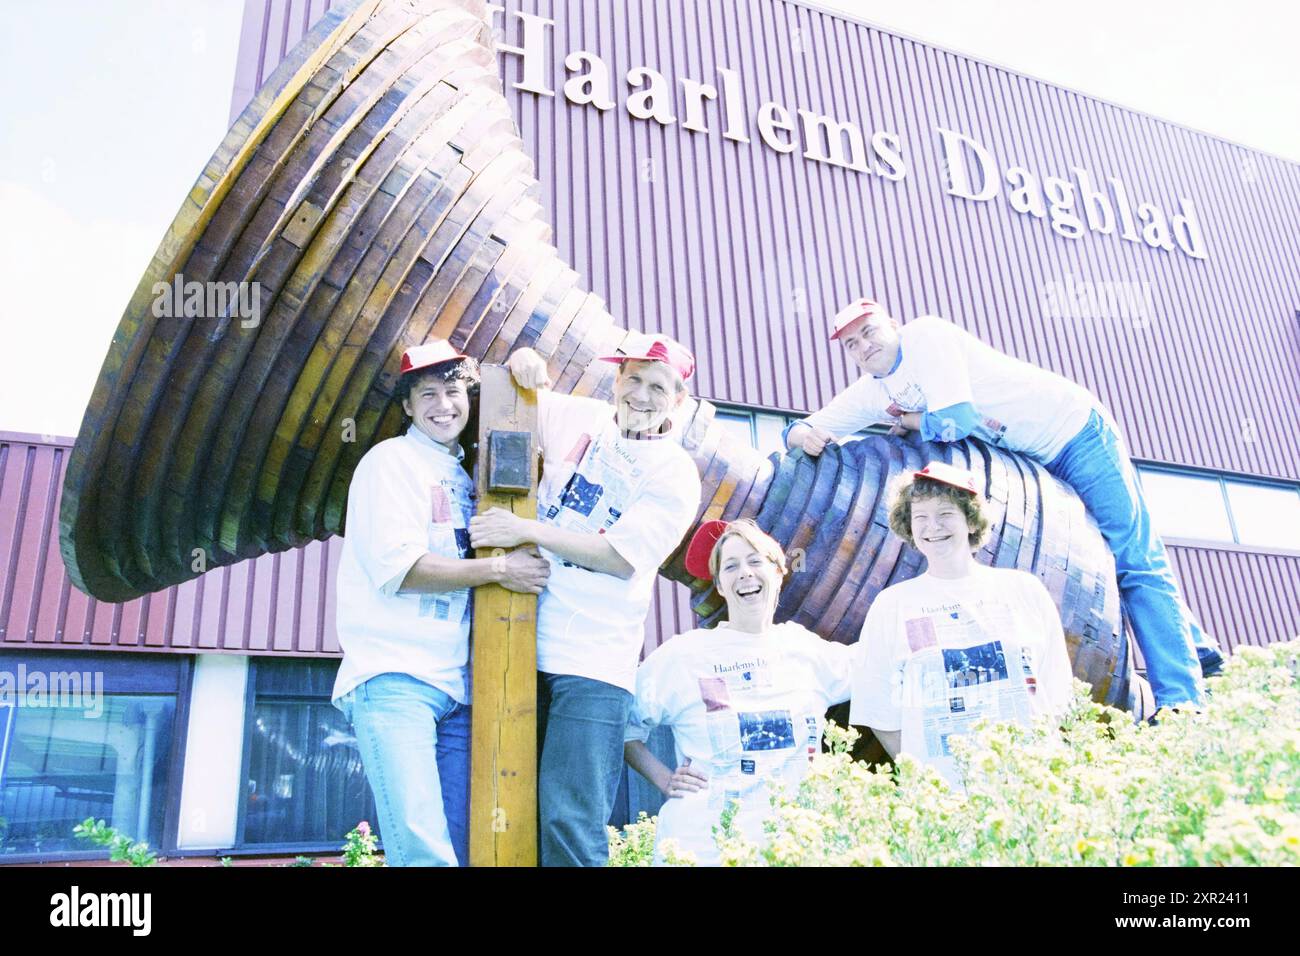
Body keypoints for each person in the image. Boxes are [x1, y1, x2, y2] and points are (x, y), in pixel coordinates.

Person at [786, 296, 1222, 711]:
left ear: (892, 325)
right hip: (1035, 462)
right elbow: (807, 427)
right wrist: (799, 435)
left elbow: (958, 419)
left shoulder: (927, 337)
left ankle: (1183, 700)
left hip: (1076, 434)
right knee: (1109, 559)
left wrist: (912, 420)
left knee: (1132, 560)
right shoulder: (871, 392)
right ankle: (1203, 656)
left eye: (869, 331)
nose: (864, 345)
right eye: (852, 343)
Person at [468, 333, 703, 867]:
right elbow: (508, 396)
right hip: (517, 637)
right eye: (634, 380)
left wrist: (524, 530)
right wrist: (521, 362)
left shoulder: (673, 471)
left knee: (568, 817)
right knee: (505, 808)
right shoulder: (581, 416)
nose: (641, 395)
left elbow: (621, 556)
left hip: (594, 664)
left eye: (658, 387)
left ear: (679, 400)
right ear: (616, 381)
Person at [331, 340, 550, 867]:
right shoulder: (390, 462)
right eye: (426, 394)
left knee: (466, 847)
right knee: (423, 851)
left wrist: (526, 366)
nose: (442, 405)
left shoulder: (466, 473)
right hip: (395, 679)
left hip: (459, 687)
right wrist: (500, 569)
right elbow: (401, 571)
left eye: (453, 392)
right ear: (406, 406)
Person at [624, 519, 854, 865]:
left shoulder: (805, 649)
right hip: (700, 848)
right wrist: (664, 778)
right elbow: (618, 722)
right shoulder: (684, 655)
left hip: (791, 848)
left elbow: (885, 664)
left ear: (778, 571)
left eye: (755, 561)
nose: (744, 573)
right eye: (730, 566)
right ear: (719, 585)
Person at [849, 462, 1075, 787]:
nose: (933, 527)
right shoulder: (892, 605)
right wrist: (927, 777)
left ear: (970, 519)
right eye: (920, 517)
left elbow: (1057, 690)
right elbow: (877, 706)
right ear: (908, 527)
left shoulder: (1023, 590)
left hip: (1029, 788)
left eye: (945, 514)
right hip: (945, 802)